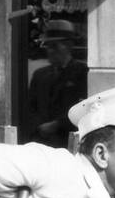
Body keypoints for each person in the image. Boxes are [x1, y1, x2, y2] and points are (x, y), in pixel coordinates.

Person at [27, 19, 88, 147]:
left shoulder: (82, 73)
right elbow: (31, 107)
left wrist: (58, 124)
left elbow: (84, 108)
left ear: (69, 45)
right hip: (41, 142)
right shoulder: (39, 75)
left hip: (68, 141)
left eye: (55, 46)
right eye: (48, 46)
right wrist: (39, 127)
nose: (50, 51)